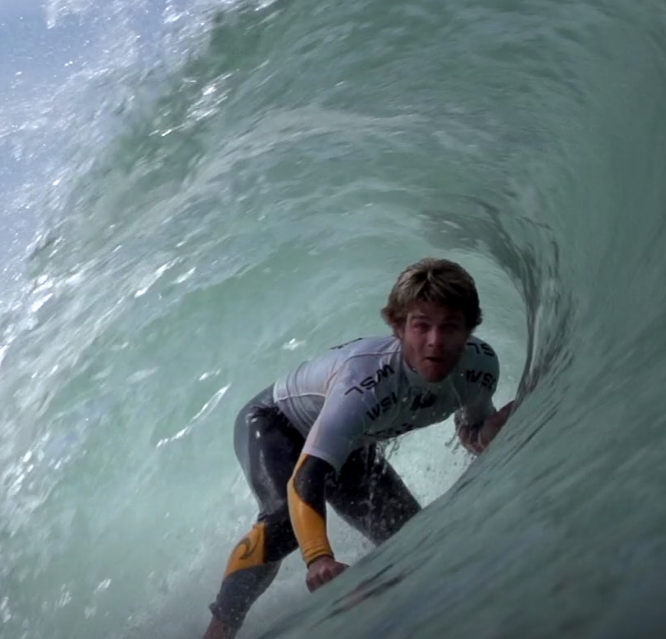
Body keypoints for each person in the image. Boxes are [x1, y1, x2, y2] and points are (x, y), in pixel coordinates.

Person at [201, 258, 518, 639]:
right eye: (421, 326)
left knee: (412, 541)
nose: (435, 341)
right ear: (398, 327)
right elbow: (306, 478)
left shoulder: (479, 368)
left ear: (469, 329)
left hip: (351, 446)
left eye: (449, 326)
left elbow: (472, 431)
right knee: (285, 521)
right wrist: (319, 559)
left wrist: (493, 431)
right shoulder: (365, 381)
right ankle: (219, 630)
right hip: (277, 422)